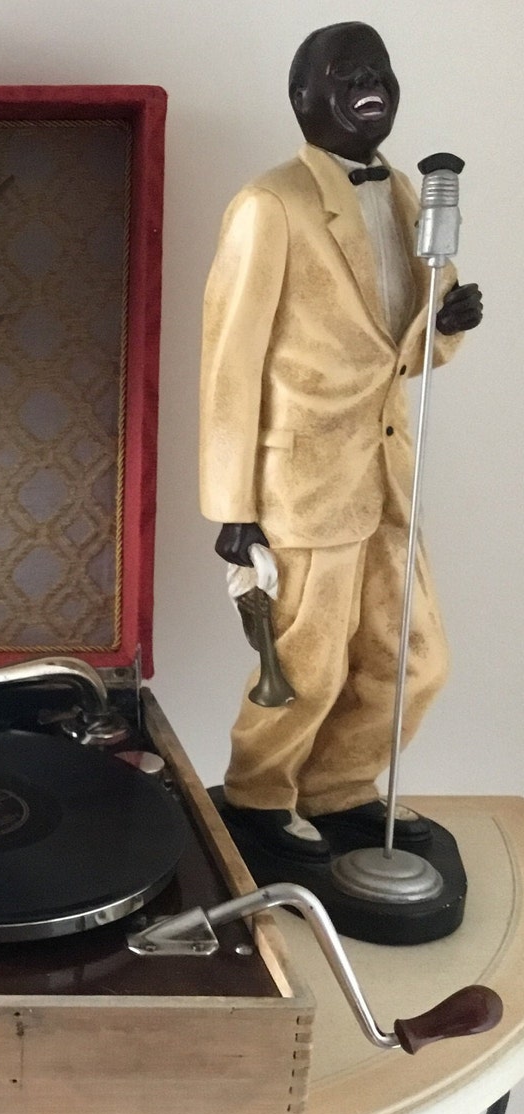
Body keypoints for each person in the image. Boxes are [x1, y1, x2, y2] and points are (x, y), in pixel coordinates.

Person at [199, 22, 483, 862]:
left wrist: (449, 325)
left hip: (392, 469)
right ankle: (255, 801)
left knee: (414, 660)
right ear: (304, 98)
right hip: (303, 484)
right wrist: (232, 506)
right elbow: (229, 360)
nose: (371, 85)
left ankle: (339, 789)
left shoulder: (408, 194)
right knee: (305, 666)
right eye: (347, 73)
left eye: (381, 71)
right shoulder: (270, 205)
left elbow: (403, 346)